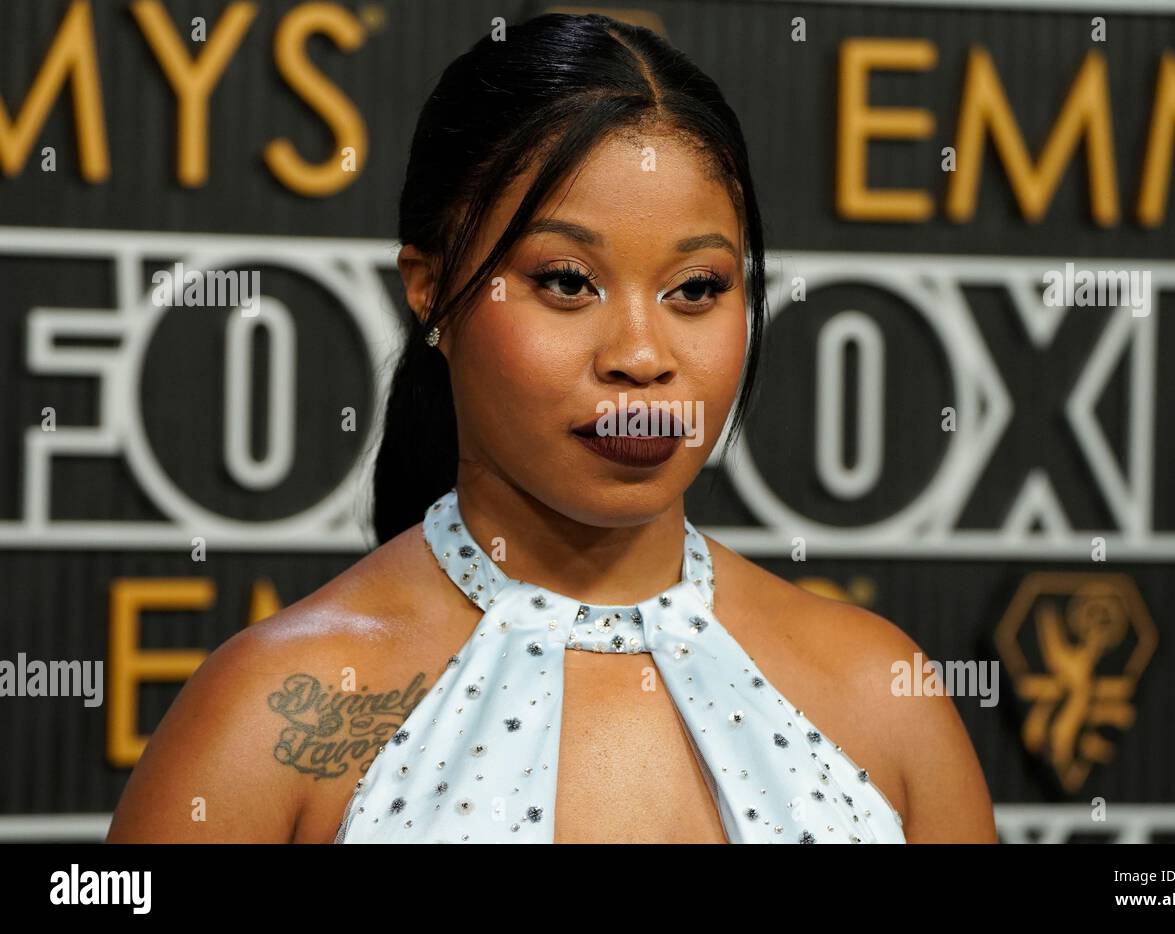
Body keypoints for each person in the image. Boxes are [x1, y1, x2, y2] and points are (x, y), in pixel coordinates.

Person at [107, 11, 997, 844]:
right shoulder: (269, 717)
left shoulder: (884, 695)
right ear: (430, 289)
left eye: (696, 289)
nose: (641, 356)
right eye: (567, 281)